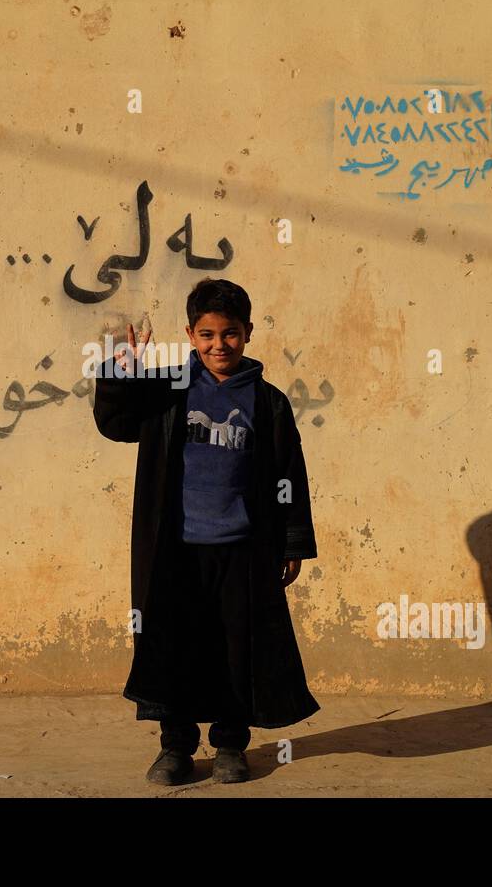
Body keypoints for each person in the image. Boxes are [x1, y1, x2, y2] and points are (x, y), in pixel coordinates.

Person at [92, 278, 320, 785]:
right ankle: (175, 747)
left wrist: (292, 542)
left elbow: (288, 476)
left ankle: (230, 745)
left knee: (236, 649)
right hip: (174, 550)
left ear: (249, 333)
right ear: (190, 334)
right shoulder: (168, 389)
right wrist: (118, 373)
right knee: (174, 646)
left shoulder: (269, 403)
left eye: (231, 334)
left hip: (242, 551)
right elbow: (114, 421)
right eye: (208, 334)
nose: (220, 345)